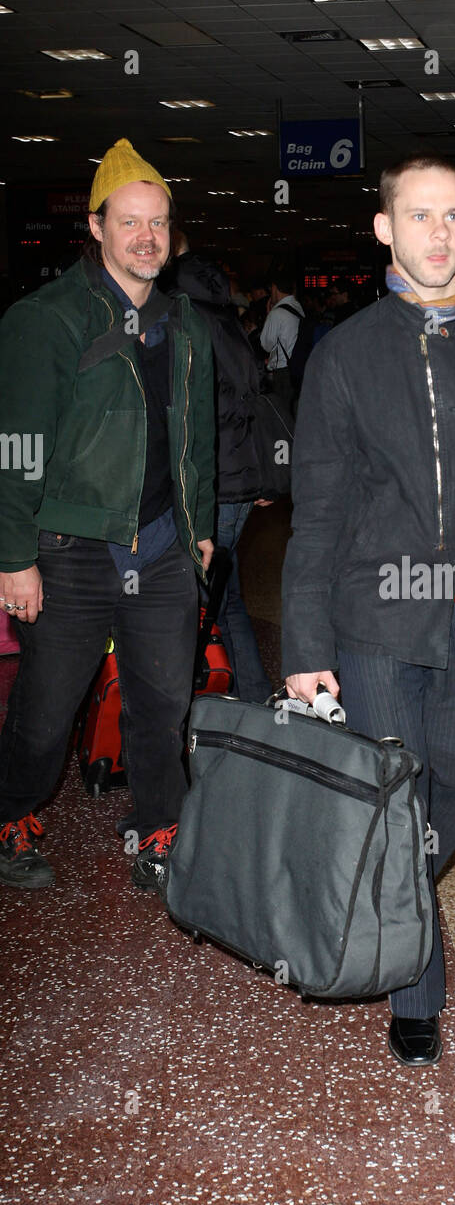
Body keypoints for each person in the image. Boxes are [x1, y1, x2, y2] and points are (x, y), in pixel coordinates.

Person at [281, 154, 455, 1067]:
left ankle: (378, 891)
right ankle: (416, 988)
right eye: (419, 214)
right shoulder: (345, 354)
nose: (437, 232)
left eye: (453, 216)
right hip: (376, 617)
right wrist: (304, 641)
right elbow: (317, 507)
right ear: (385, 229)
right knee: (396, 799)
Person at [0, 138, 216, 892]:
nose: (146, 237)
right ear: (96, 227)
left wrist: (202, 525)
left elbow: (199, 437)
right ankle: (12, 813)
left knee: (163, 702)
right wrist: (13, 555)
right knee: (47, 706)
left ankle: (161, 827)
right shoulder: (46, 319)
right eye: (130, 222)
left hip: (161, 546)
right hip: (71, 547)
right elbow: (18, 445)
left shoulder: (184, 322)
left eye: (158, 223)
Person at [167, 235, 274, 703]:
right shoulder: (228, 320)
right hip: (242, 477)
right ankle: (251, 698)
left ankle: (191, 703)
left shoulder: (183, 322)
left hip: (213, 482)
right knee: (225, 600)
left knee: (201, 599)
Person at [259, 267, 304, 415]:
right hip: (297, 368)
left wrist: (268, 315)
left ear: (275, 288)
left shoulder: (277, 313)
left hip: (282, 372)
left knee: (281, 415)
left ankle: (283, 439)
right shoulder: (298, 307)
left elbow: (266, 344)